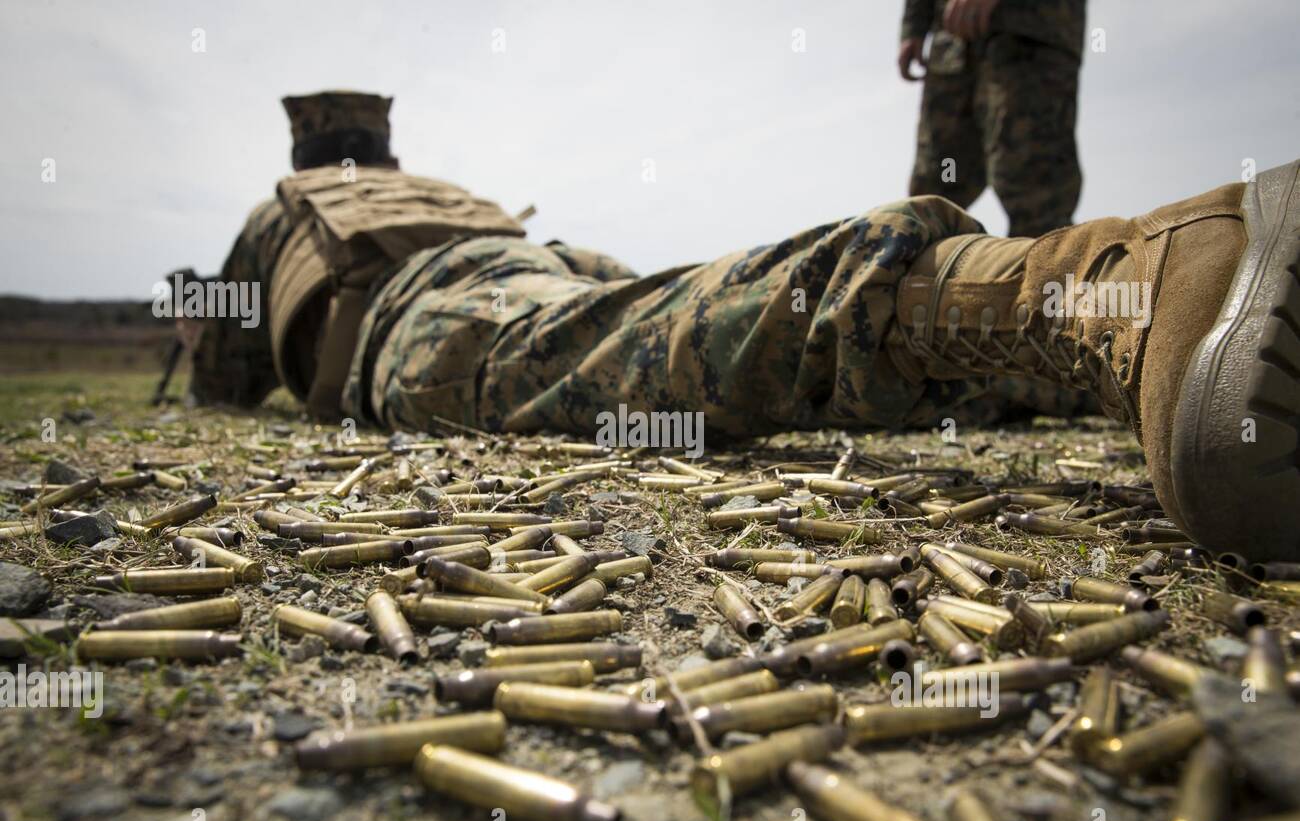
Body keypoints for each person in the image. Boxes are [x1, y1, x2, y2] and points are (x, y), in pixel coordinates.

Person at [187, 91, 1300, 559]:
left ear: (306, 156)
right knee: (695, 330)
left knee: (697, 342)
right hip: (542, 270)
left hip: (431, 321)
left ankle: (1130, 283)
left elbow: (227, 380)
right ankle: (1133, 340)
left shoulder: (283, 211)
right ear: (382, 151)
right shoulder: (441, 190)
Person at [900, 0, 1087, 238]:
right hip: (951, 49)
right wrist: (914, 27)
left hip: (1027, 39)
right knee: (933, 193)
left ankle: (1045, 273)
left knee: (1035, 193)